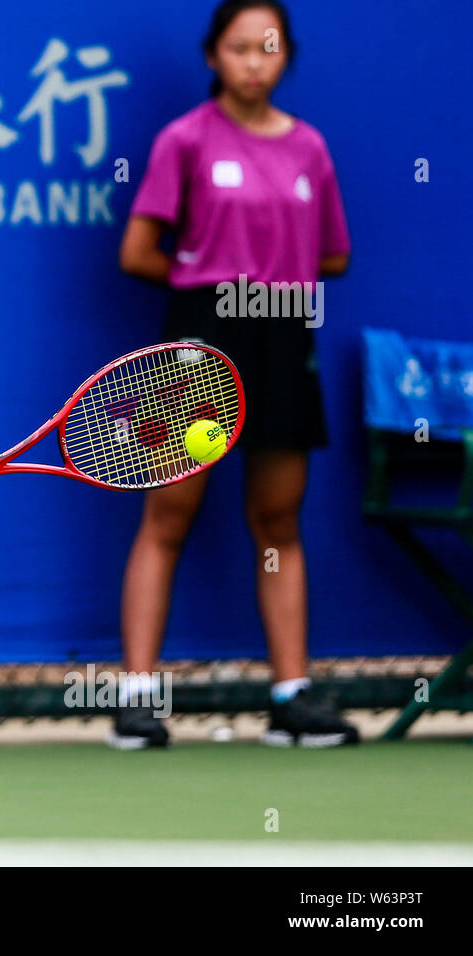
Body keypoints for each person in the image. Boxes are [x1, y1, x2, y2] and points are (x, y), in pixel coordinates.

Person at [111, 0, 357, 749]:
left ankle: (290, 698)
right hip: (200, 342)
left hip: (284, 336)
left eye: (269, 49)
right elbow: (137, 252)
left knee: (279, 519)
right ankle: (138, 698)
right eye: (240, 48)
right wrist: (212, 287)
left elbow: (335, 255)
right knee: (170, 513)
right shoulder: (184, 140)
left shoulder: (310, 147)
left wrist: (269, 289)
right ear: (214, 56)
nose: (255, 61)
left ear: (285, 59)